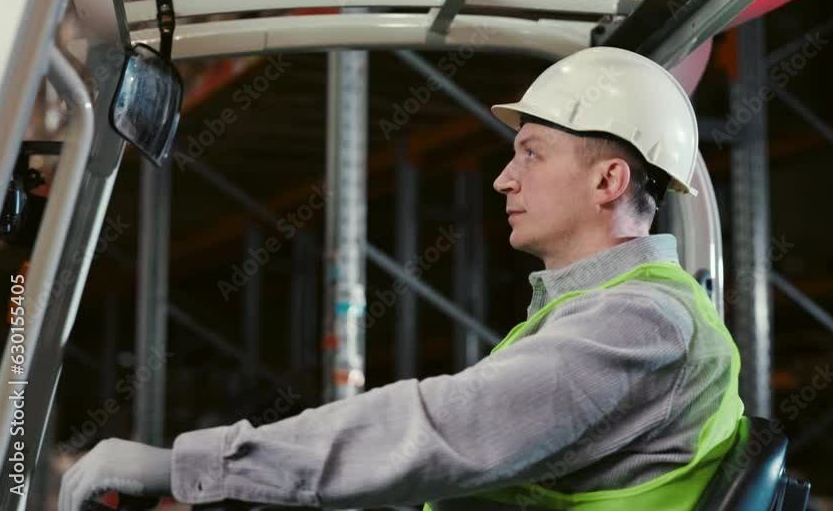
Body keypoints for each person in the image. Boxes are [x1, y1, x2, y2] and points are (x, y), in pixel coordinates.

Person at [59, 46, 744, 511]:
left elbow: (444, 428)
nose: (505, 178)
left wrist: (190, 463)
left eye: (531, 153)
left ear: (608, 178)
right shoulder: (610, 309)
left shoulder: (639, 319)